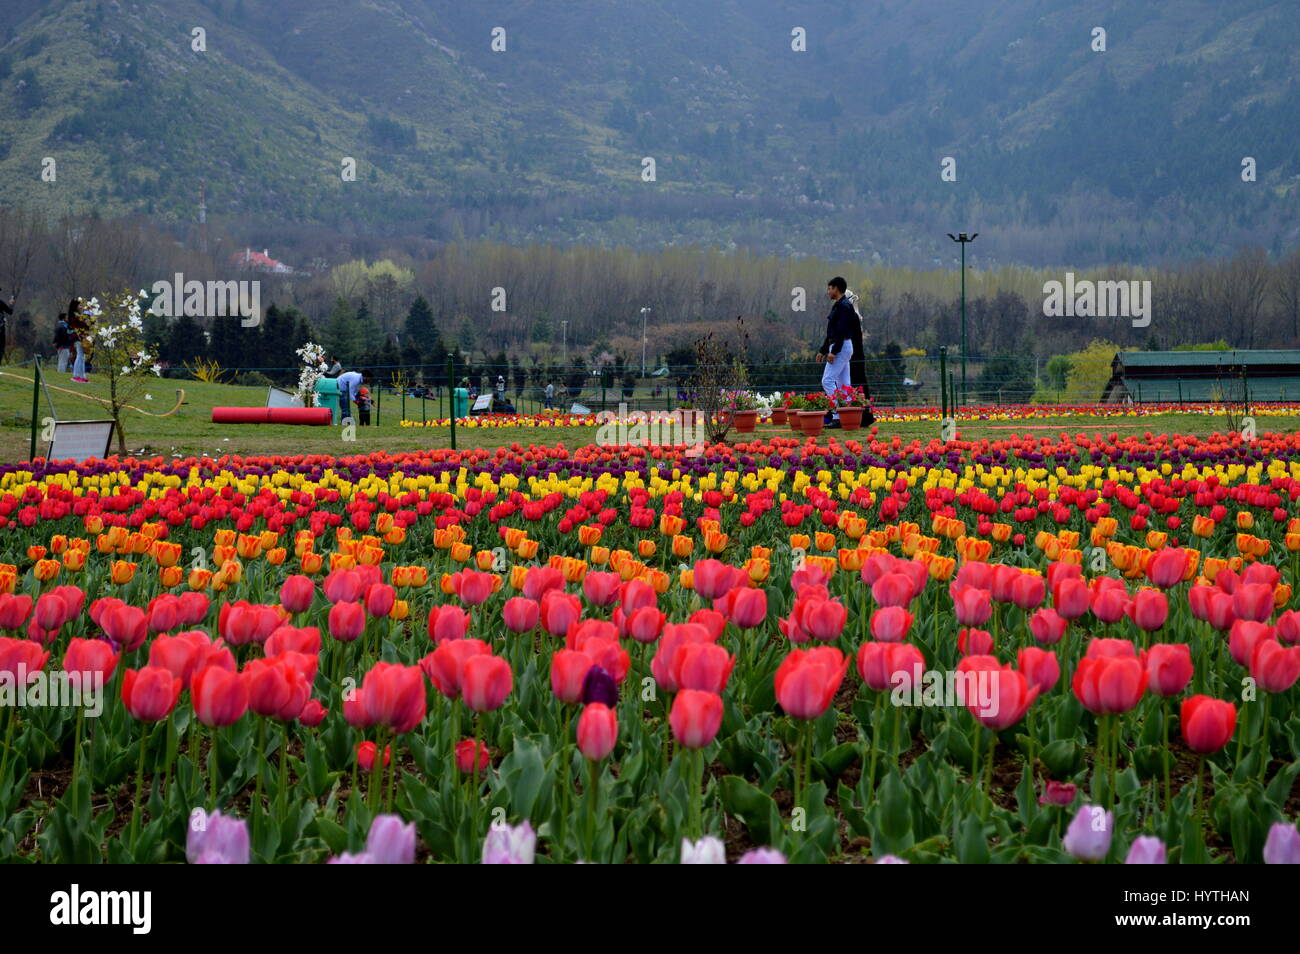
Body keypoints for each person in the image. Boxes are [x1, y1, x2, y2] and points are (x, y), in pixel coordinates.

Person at [816, 277, 856, 428]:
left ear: (837, 289)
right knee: (844, 383)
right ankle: (847, 415)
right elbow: (833, 332)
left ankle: (837, 415)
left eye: (830, 288)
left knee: (827, 380)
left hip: (841, 346)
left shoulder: (843, 307)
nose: (828, 291)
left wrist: (834, 351)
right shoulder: (841, 305)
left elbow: (841, 331)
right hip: (843, 346)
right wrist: (824, 350)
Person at [67, 298, 90, 382]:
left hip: (79, 337)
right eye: (80, 305)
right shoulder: (75, 316)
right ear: (75, 306)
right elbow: (82, 326)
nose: (82, 307)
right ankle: (76, 375)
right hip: (78, 337)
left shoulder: (76, 315)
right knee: (80, 356)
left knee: (81, 356)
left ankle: (82, 376)